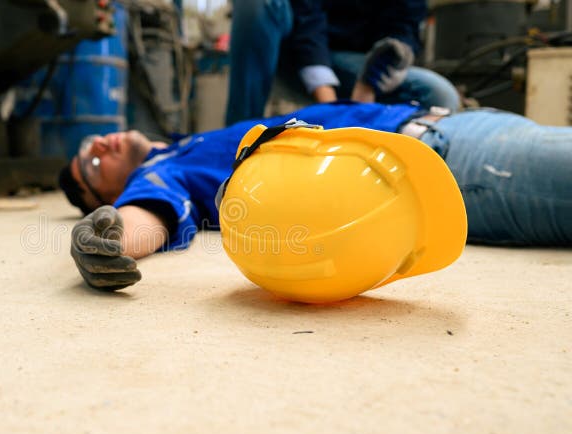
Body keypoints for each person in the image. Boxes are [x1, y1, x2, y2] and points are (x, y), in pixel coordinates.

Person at [58, 77, 572, 290]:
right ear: (110, 194)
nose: (98, 145)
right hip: (444, 162)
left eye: (89, 144)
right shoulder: (161, 172)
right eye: (93, 166)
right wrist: (106, 238)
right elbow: (151, 211)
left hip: (454, 125)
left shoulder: (184, 143)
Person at [226, 0, 460, 125]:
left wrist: (372, 78)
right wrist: (333, 111)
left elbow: (405, 25)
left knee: (439, 95)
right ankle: (239, 139)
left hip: (356, 67)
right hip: (290, 55)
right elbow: (307, 18)